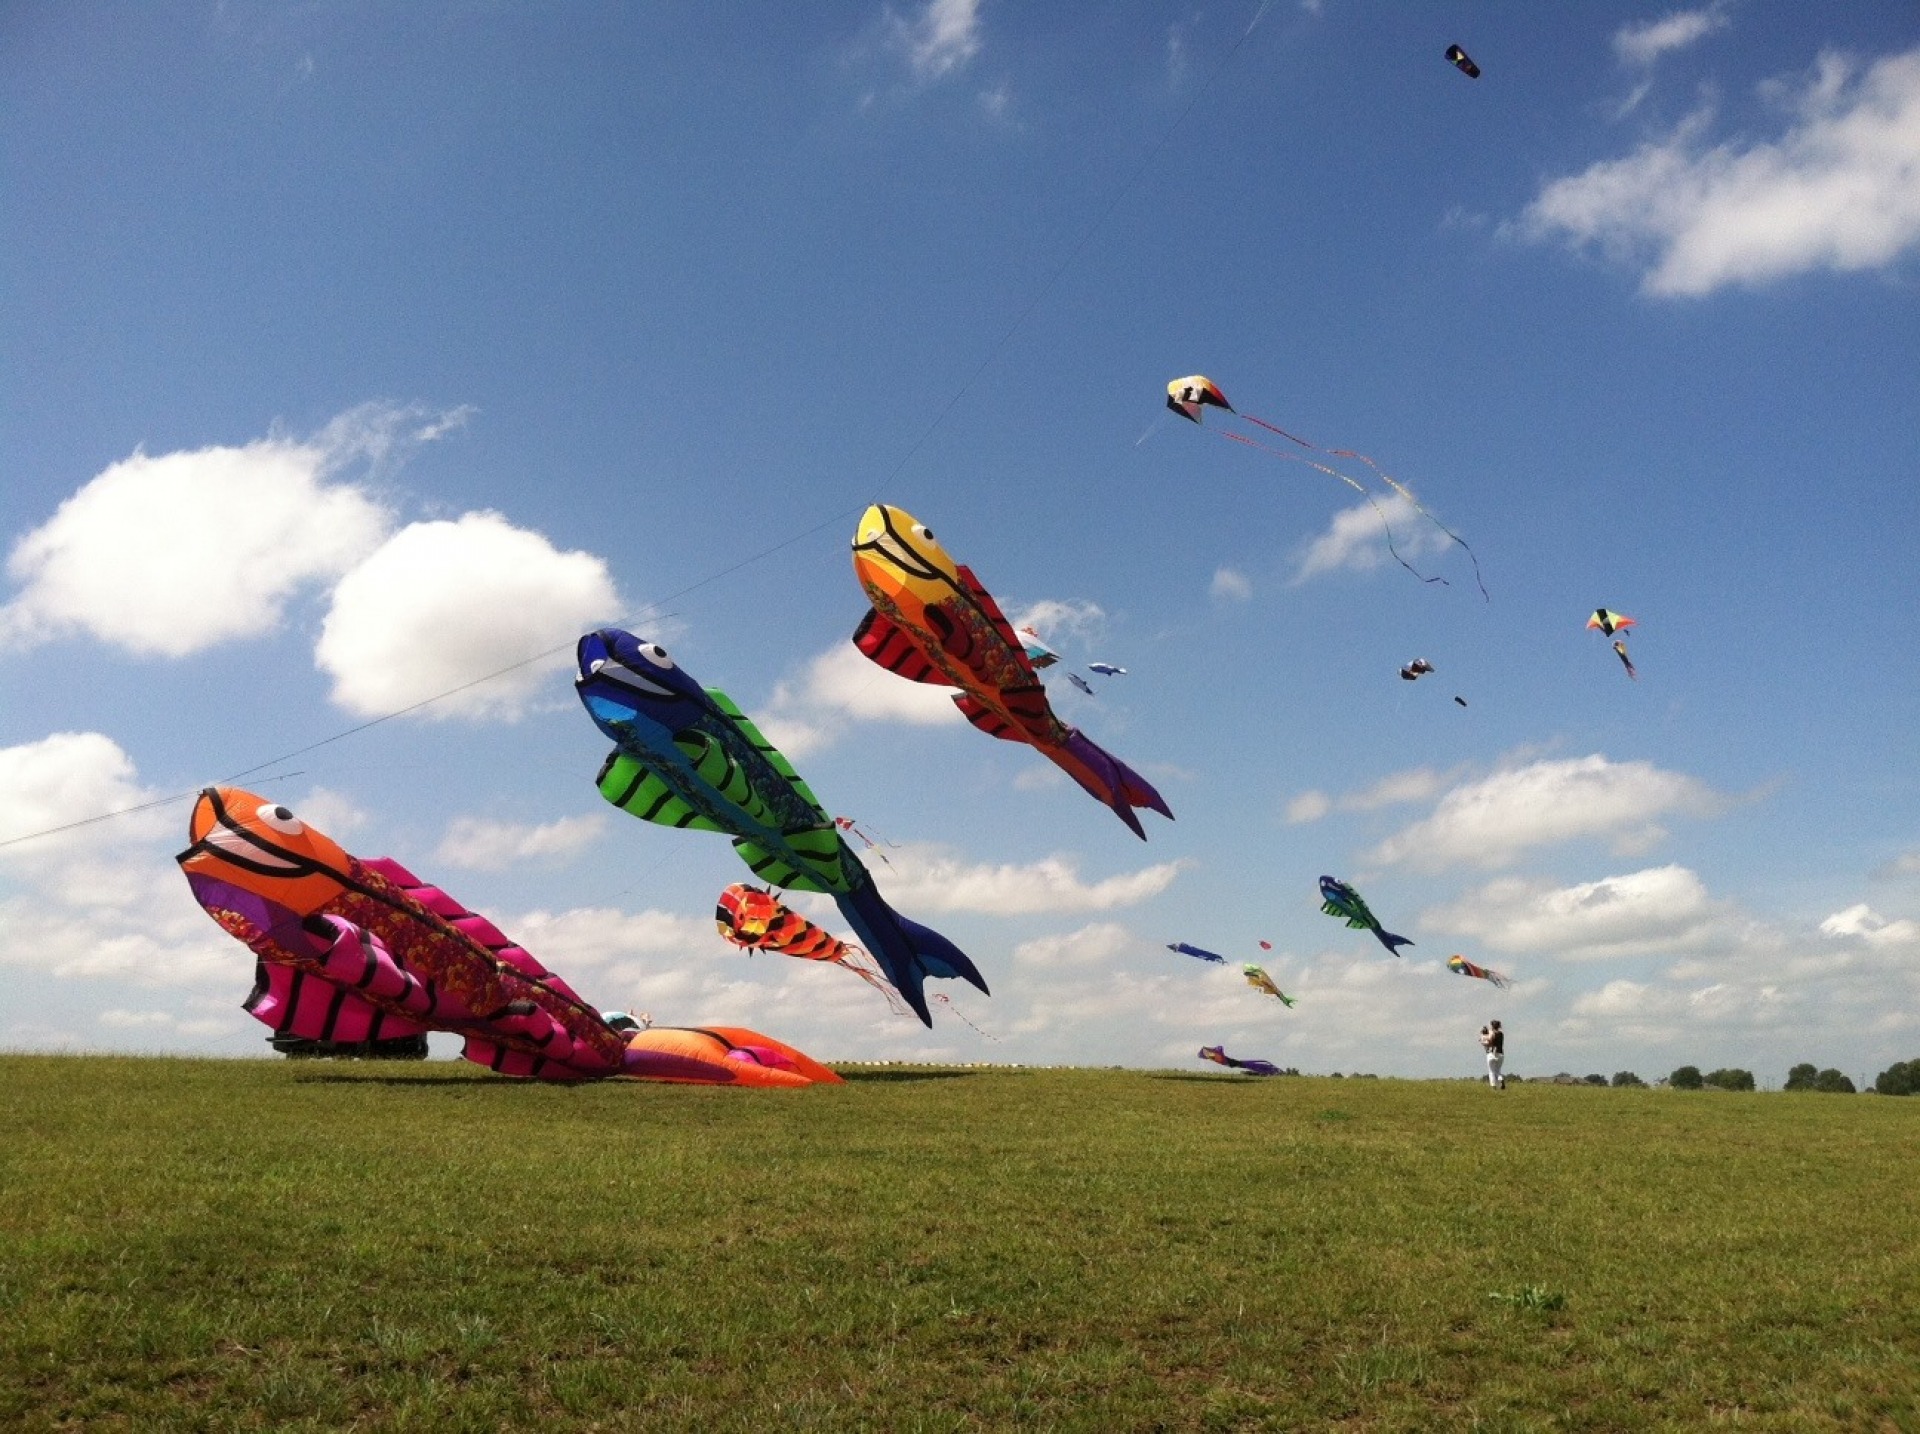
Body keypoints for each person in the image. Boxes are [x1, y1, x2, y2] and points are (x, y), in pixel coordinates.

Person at [1480, 1020, 1506, 1089]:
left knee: (1491, 1071)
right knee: (1498, 1070)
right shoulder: (1501, 1034)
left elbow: (1490, 1042)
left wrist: (1483, 1041)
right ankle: (1501, 1079)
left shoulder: (1492, 1033)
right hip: (1500, 1053)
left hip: (1492, 1053)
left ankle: (1493, 1086)